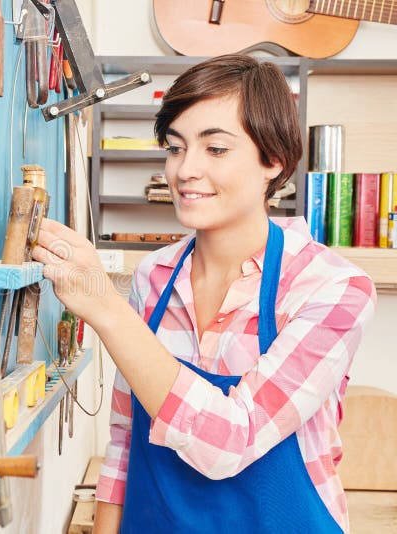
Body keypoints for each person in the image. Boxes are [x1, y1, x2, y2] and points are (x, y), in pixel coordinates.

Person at [31, 54, 376, 533]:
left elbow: (233, 439)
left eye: (215, 149)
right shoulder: (154, 276)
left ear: (272, 160)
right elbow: (126, 436)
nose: (185, 170)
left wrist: (105, 308)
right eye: (175, 148)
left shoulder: (332, 289)